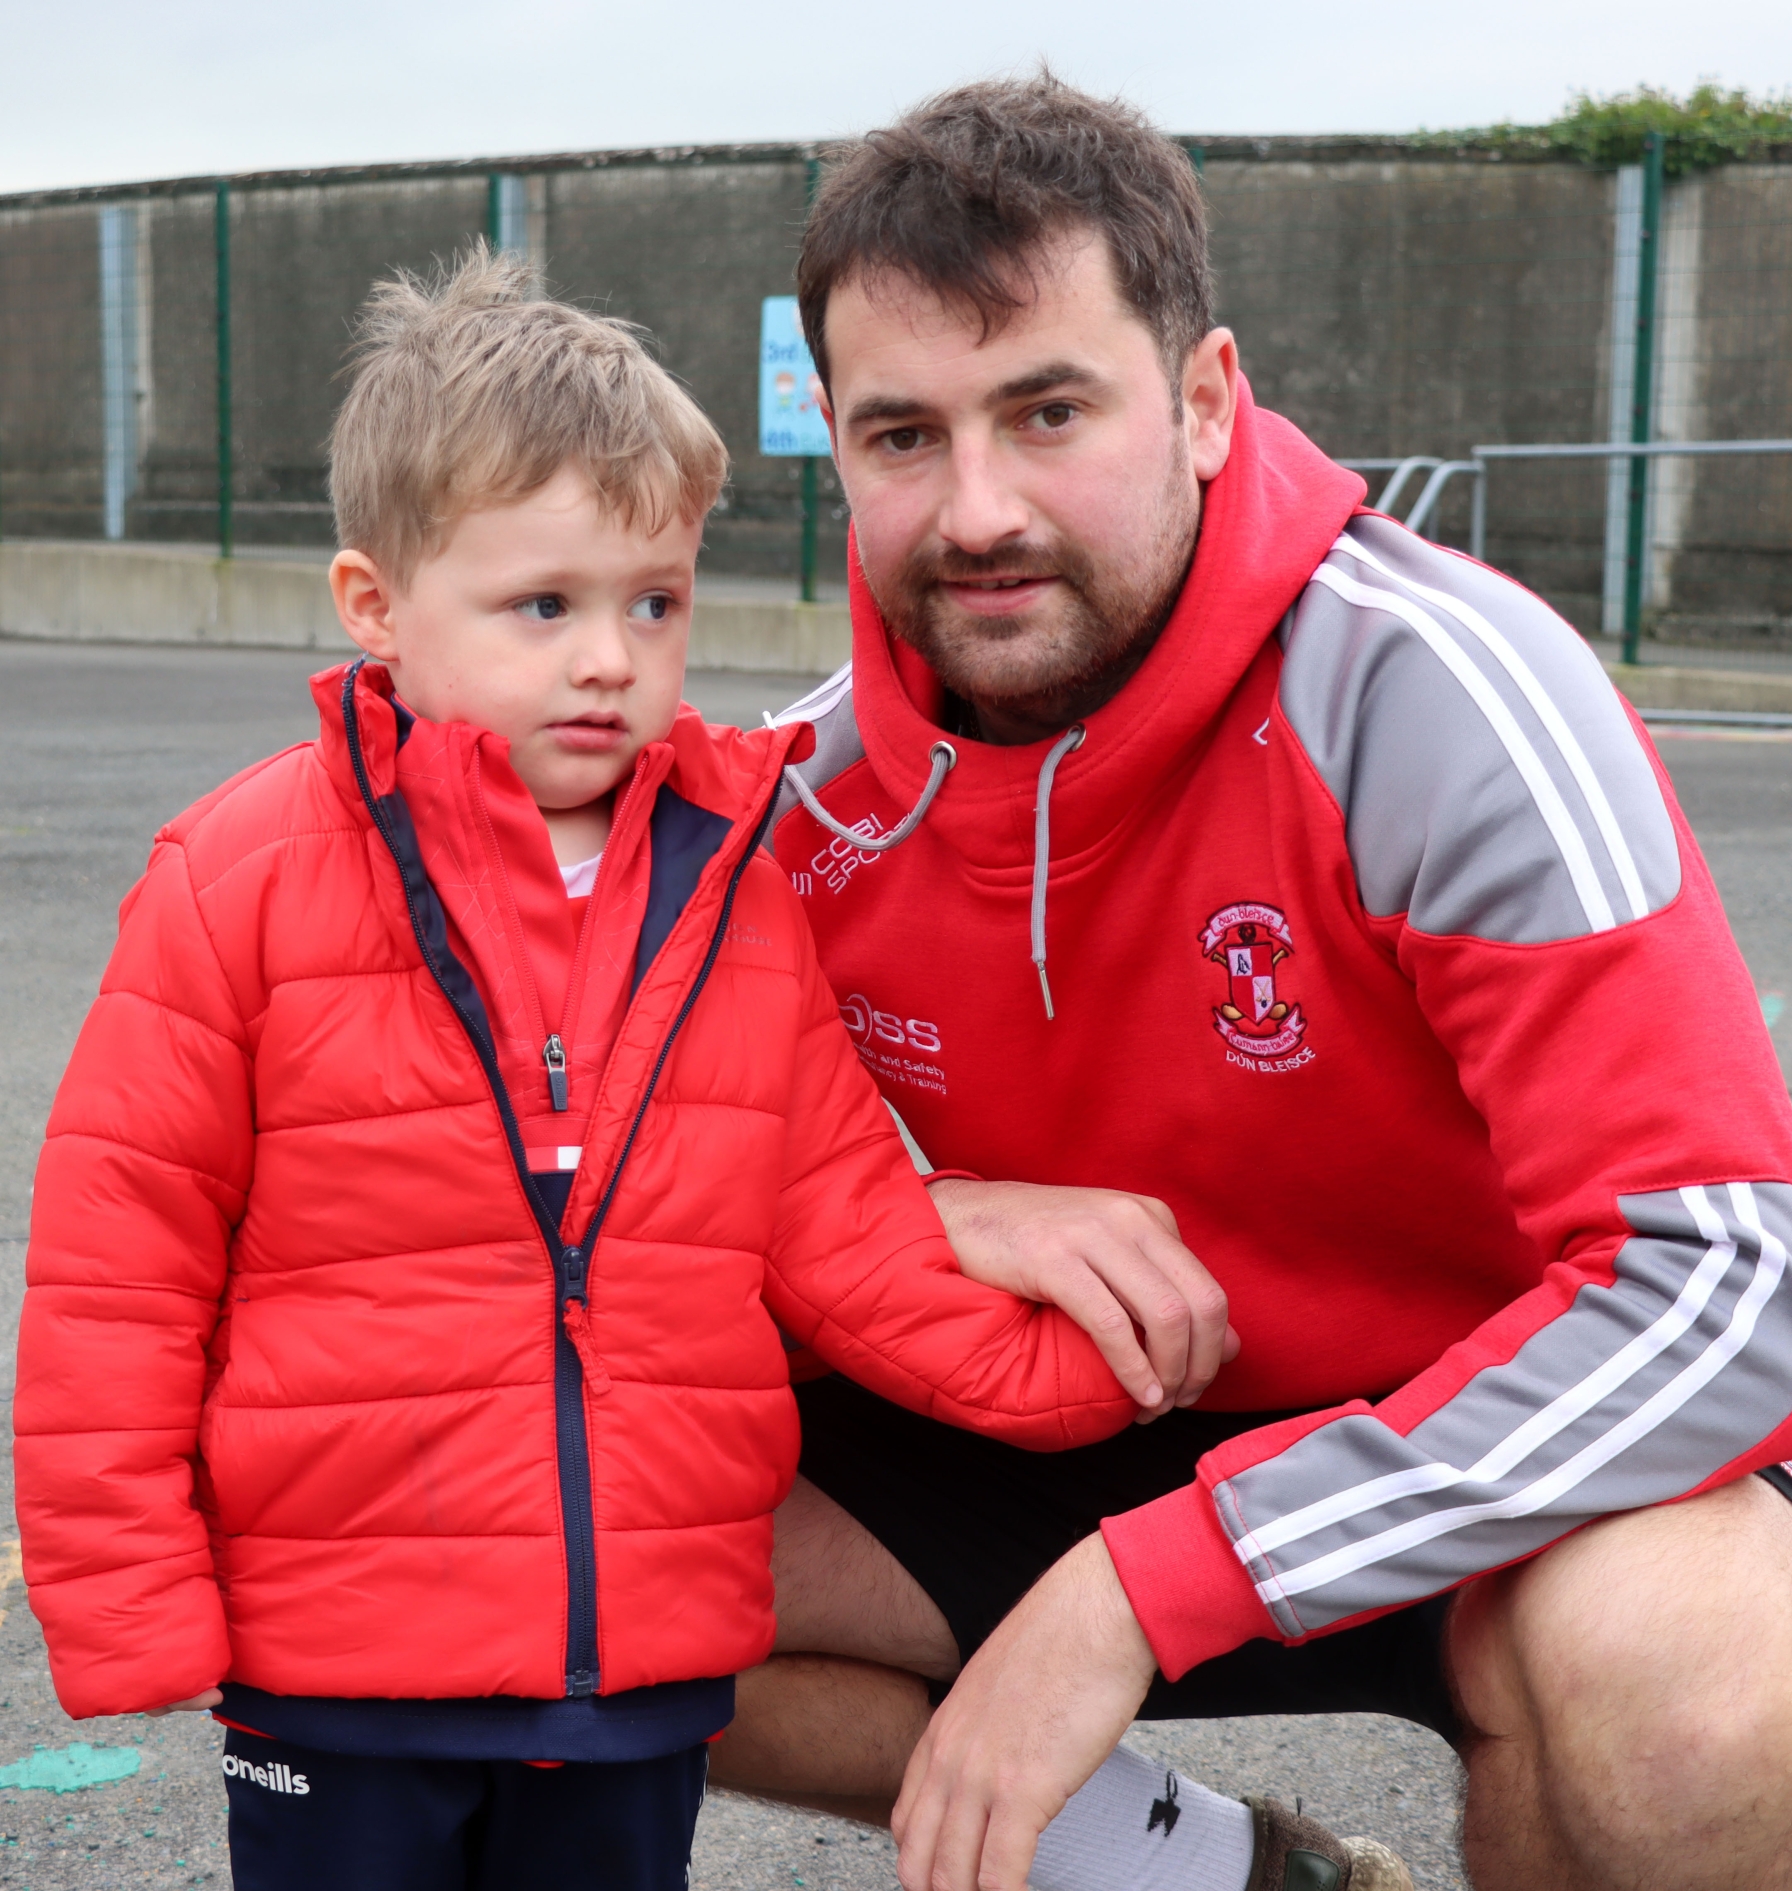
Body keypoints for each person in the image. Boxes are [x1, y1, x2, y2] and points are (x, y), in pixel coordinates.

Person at [714, 76, 1792, 1891]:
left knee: (1696, 1699)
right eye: (902, 437)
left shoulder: (1435, 697)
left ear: (1201, 402)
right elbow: (563, 1220)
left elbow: (1727, 1291)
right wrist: (923, 1212)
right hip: (1081, 1420)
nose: (977, 510)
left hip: (1504, 1445)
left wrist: (1145, 1585)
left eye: (1048, 410)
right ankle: (1218, 1876)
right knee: (530, 1555)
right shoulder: (789, 799)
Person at [11, 249, 1151, 1891]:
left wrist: (1103, 1380)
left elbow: (844, 1228)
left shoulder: (730, 886)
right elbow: (120, 1274)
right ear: (376, 607)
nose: (611, 657)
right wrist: (127, 1599)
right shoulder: (241, 878)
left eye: (655, 602)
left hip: (633, 1655)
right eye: (545, 606)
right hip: (341, 1664)